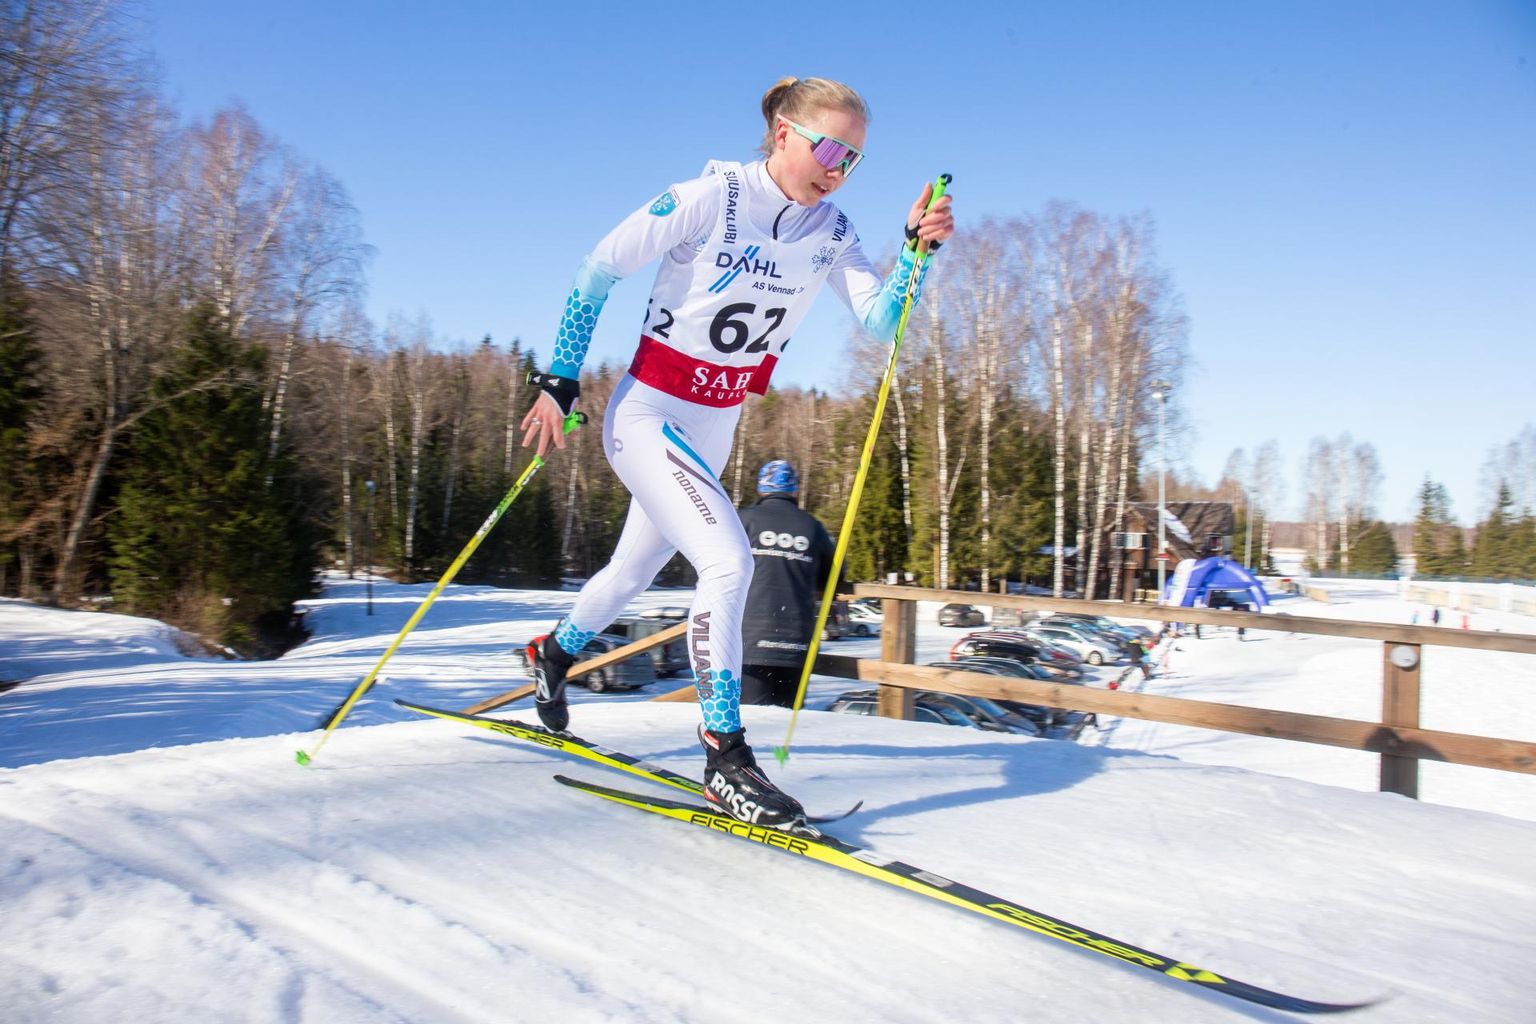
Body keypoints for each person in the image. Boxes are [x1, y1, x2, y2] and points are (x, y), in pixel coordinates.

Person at [518, 76, 955, 828]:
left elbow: (883, 322)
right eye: (828, 147)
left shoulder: (834, 231)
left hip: (715, 422)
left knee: (634, 569)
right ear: (784, 131)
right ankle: (724, 753)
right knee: (729, 561)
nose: (838, 168)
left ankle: (553, 653)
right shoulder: (708, 197)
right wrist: (559, 379)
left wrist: (915, 249)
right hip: (649, 411)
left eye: (854, 159)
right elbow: (598, 269)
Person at [737, 460, 838, 708]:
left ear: (762, 488)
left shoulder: (743, 521)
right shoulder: (812, 527)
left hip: (749, 640)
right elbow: (834, 577)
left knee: (750, 720)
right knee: (786, 724)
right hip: (795, 642)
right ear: (793, 489)